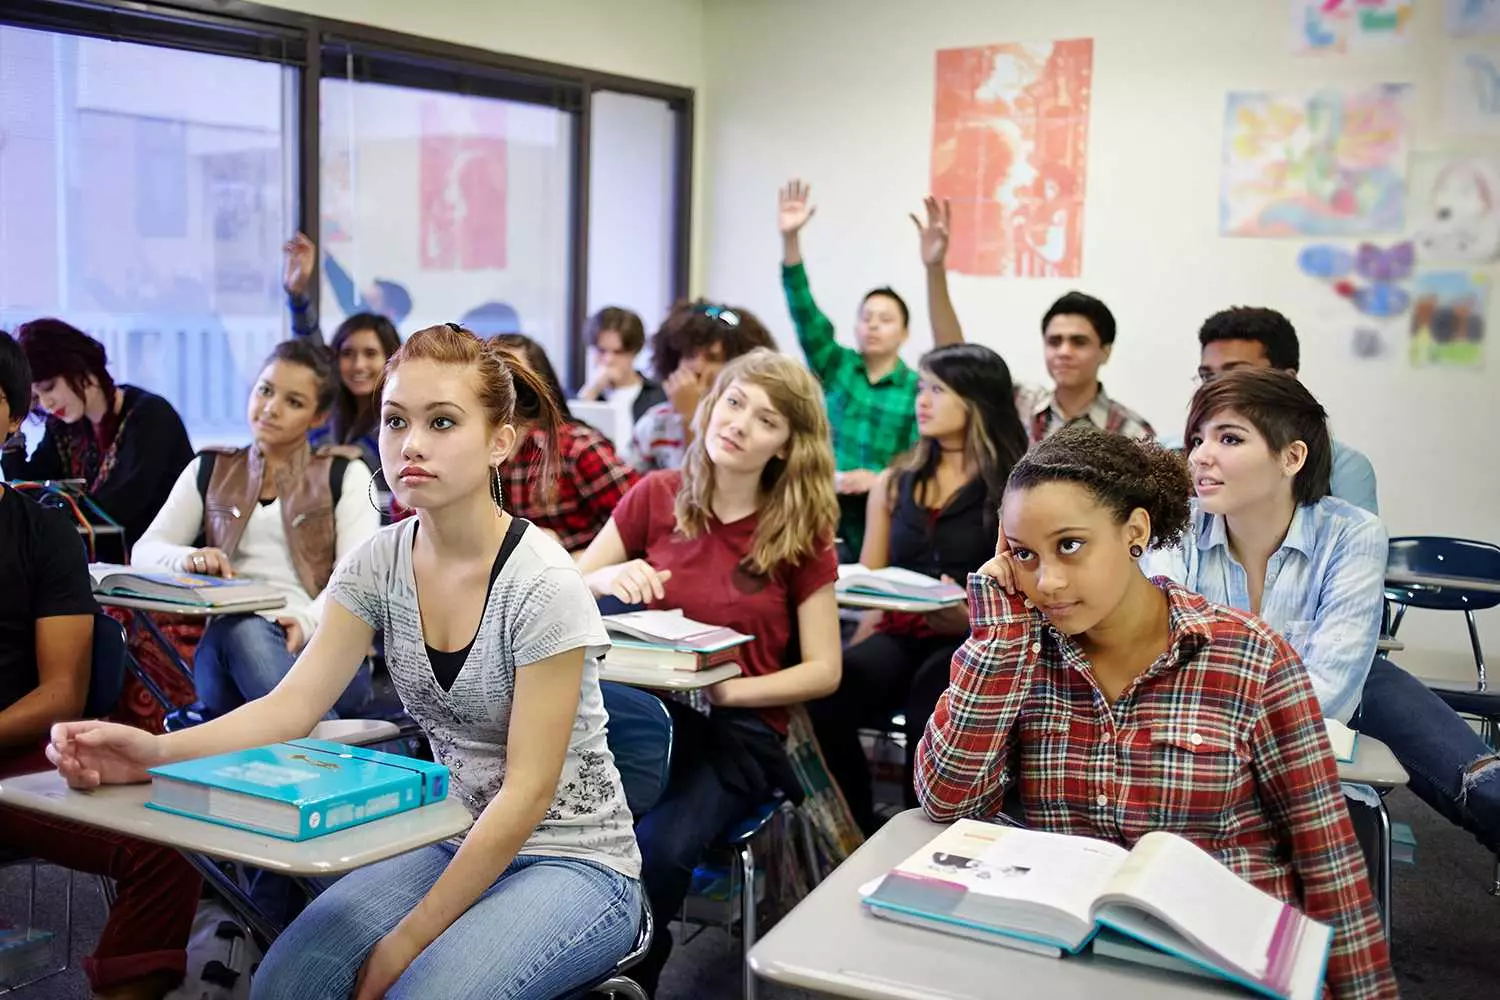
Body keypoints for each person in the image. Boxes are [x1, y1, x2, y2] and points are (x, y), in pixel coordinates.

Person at [49, 323, 643, 1000]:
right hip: (457, 833)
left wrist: (408, 940)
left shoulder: (542, 582)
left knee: (417, 992)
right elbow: (291, 706)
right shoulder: (378, 562)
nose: (411, 444)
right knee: (284, 984)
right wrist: (152, 753)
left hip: (575, 859)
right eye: (396, 421)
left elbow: (527, 793)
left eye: (442, 422)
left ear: (499, 443)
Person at [916, 423, 1396, 999]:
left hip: (1220, 969)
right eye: (1022, 554)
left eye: (1070, 544)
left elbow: (1328, 861)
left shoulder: (1248, 659)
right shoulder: (1023, 651)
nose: (1047, 581)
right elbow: (948, 798)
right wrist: (999, 637)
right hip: (1069, 966)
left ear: (1135, 532)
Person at [1145, 368, 1500, 855]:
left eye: (1229, 438)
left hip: (1326, 713)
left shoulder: (1352, 533)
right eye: (1197, 438)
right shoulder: (1180, 526)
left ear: (1292, 457)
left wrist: (1221, 714)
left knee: (1484, 788)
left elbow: (1330, 686)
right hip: (1210, 746)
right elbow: (1159, 652)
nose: (1201, 456)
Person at [577, 348, 842, 992]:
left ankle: (623, 974)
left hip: (738, 734)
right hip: (644, 720)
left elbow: (824, 670)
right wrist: (608, 575)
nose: (741, 423)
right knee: (577, 835)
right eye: (734, 402)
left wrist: (729, 690)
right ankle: (574, 957)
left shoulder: (800, 530)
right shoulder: (656, 494)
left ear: (786, 446)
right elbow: (564, 587)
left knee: (659, 850)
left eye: (767, 419)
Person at [0, 331, 201, 1000]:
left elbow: (62, 693)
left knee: (169, 846)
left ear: (8, 413)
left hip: (18, 754)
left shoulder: (43, 528)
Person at [809, 343, 1028, 833]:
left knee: (934, 695)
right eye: (921, 388)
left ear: (976, 400)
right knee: (829, 694)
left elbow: (1028, 583)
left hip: (974, 637)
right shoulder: (895, 480)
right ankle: (861, 831)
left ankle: (926, 835)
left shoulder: (1015, 485)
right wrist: (863, 633)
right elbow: (869, 576)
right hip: (901, 628)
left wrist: (971, 615)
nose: (922, 401)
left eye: (937, 390)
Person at [133, 340, 379, 721]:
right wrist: (189, 557)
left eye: (293, 402)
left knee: (251, 641)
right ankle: (330, 760)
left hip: (323, 650)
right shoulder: (210, 468)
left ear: (319, 417)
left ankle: (306, 746)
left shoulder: (345, 473)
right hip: (227, 652)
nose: (270, 408)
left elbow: (357, 578)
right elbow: (144, 551)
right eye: (265, 390)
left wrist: (305, 623)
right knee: (241, 628)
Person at [913, 196, 1155, 446]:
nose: (1063, 352)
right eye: (1054, 341)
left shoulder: (1131, 432)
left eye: (1079, 342)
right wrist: (935, 270)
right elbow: (956, 363)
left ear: (1105, 352)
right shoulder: (1020, 404)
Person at [779, 179, 920, 557]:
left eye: (885, 319)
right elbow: (803, 311)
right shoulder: (836, 365)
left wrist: (878, 480)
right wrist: (791, 240)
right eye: (866, 317)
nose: (873, 325)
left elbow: (919, 459)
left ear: (905, 333)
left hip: (881, 520)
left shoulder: (916, 389)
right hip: (818, 509)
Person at [0, 318, 194, 550]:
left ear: (77, 365)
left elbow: (117, 508)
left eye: (49, 387)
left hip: (158, 565)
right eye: (35, 399)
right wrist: (11, 428)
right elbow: (26, 492)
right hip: (100, 567)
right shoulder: (64, 427)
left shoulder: (150, 417)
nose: (46, 403)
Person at [1193, 306, 1379, 514]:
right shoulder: (1175, 453)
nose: (1215, 388)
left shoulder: (1344, 468)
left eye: (1238, 374)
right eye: (1207, 377)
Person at [492, 333, 639, 554]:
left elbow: (641, 518)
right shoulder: (475, 456)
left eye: (511, 376)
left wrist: (583, 561)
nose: (500, 386)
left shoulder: (577, 448)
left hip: (585, 576)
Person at [625, 300, 777, 473]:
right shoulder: (654, 422)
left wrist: (690, 417)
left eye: (712, 358)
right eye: (689, 355)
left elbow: (709, 489)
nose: (697, 367)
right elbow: (626, 488)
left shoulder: (742, 427)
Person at [575, 306, 667, 428]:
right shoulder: (583, 395)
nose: (609, 359)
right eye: (601, 351)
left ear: (634, 352)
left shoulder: (659, 396)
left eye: (618, 352)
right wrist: (591, 392)